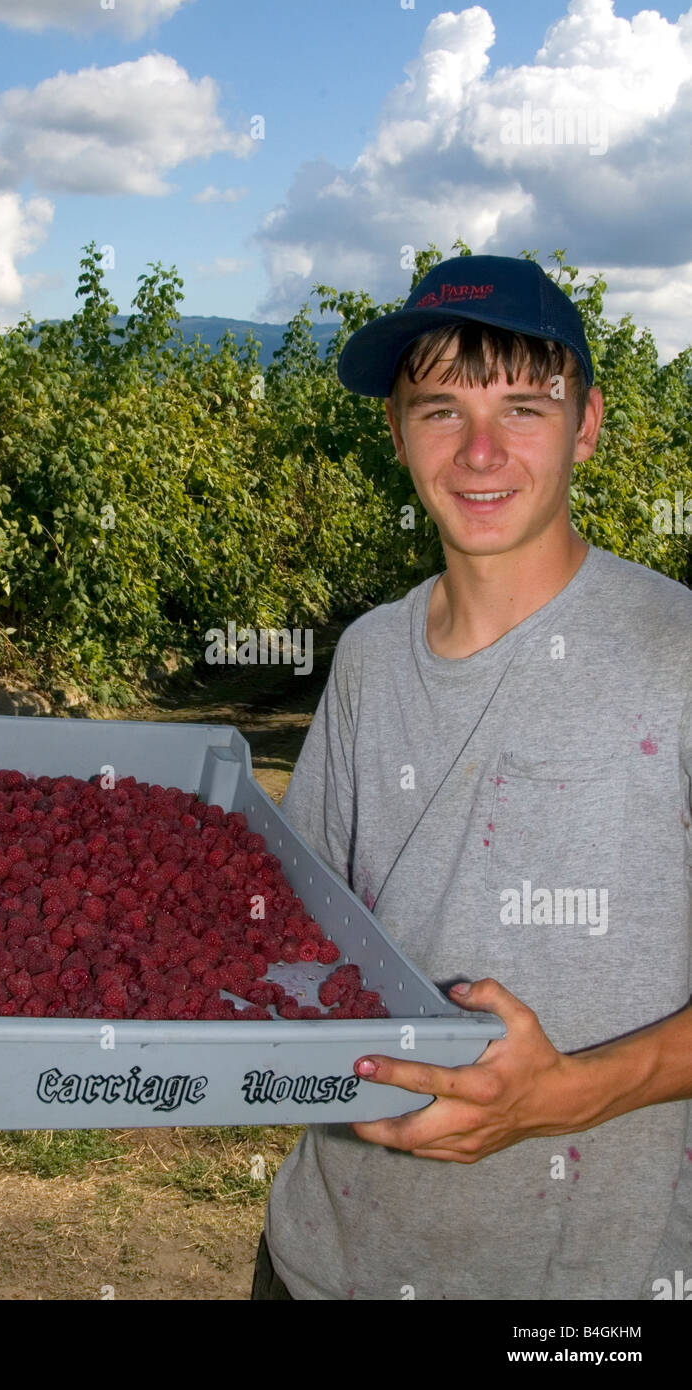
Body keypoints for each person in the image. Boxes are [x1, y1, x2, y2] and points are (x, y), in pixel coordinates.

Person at [250, 254, 692, 1301]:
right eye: (439, 409)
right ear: (397, 434)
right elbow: (294, 933)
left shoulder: (674, 654)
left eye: (523, 408)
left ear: (583, 426)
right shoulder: (366, 654)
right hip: (322, 1261)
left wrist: (565, 1096)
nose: (479, 449)